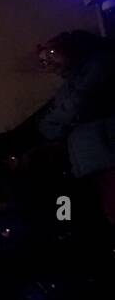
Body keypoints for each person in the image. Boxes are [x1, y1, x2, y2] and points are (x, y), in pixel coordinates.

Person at [36, 31, 115, 226]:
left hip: (107, 154)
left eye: (52, 54)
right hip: (95, 161)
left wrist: (64, 118)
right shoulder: (68, 86)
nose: (49, 64)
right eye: (44, 61)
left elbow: (76, 104)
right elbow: (48, 128)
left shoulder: (98, 65)